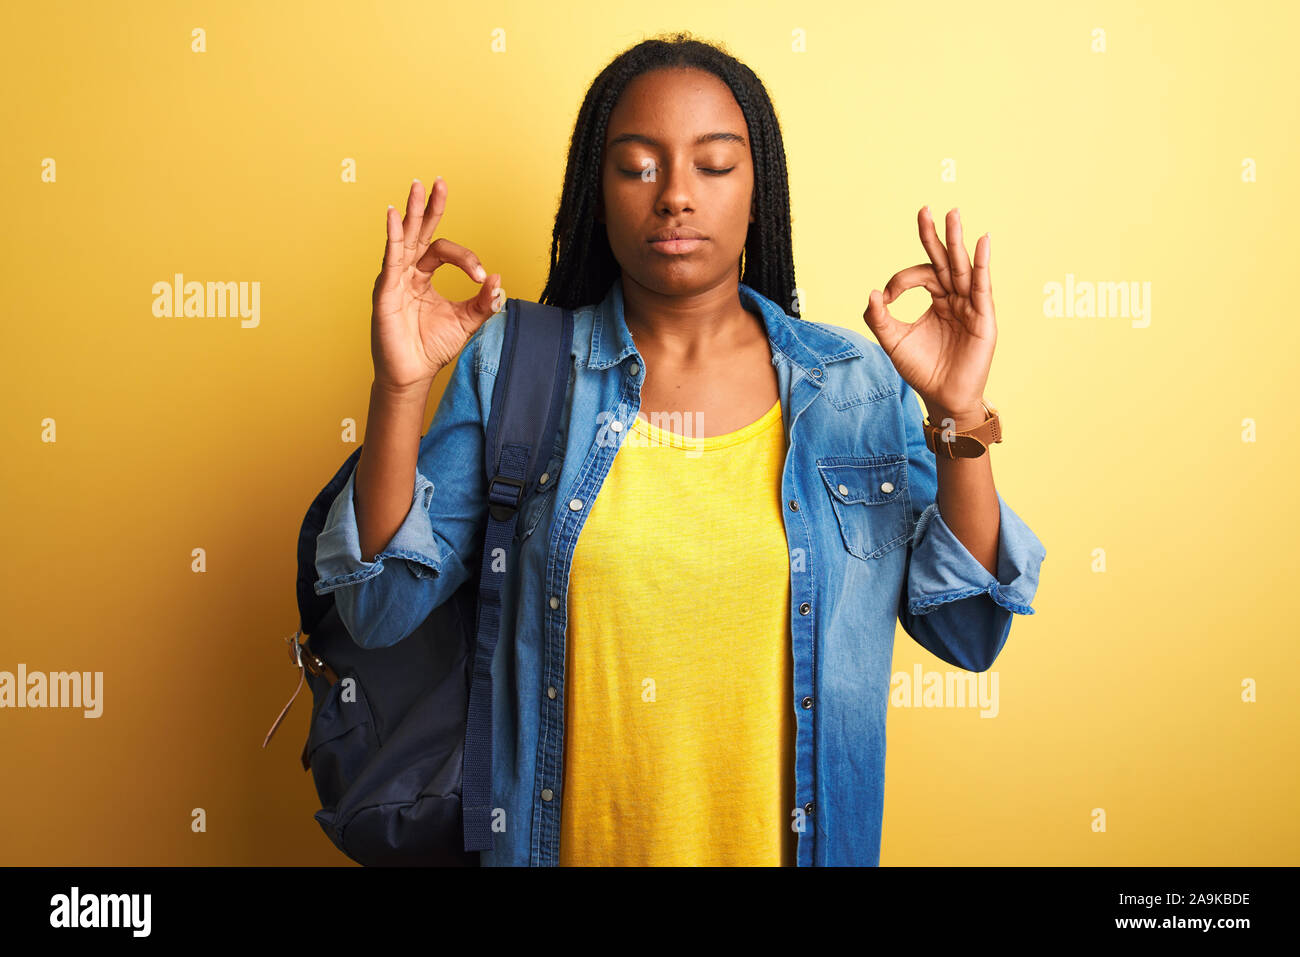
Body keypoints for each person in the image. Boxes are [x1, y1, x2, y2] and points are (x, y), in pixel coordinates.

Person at [313, 32, 1046, 867]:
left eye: (714, 164)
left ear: (757, 192)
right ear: (596, 194)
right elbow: (377, 611)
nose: (675, 196)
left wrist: (959, 415)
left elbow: (970, 629)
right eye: (637, 167)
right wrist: (399, 389)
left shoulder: (853, 387)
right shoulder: (516, 365)